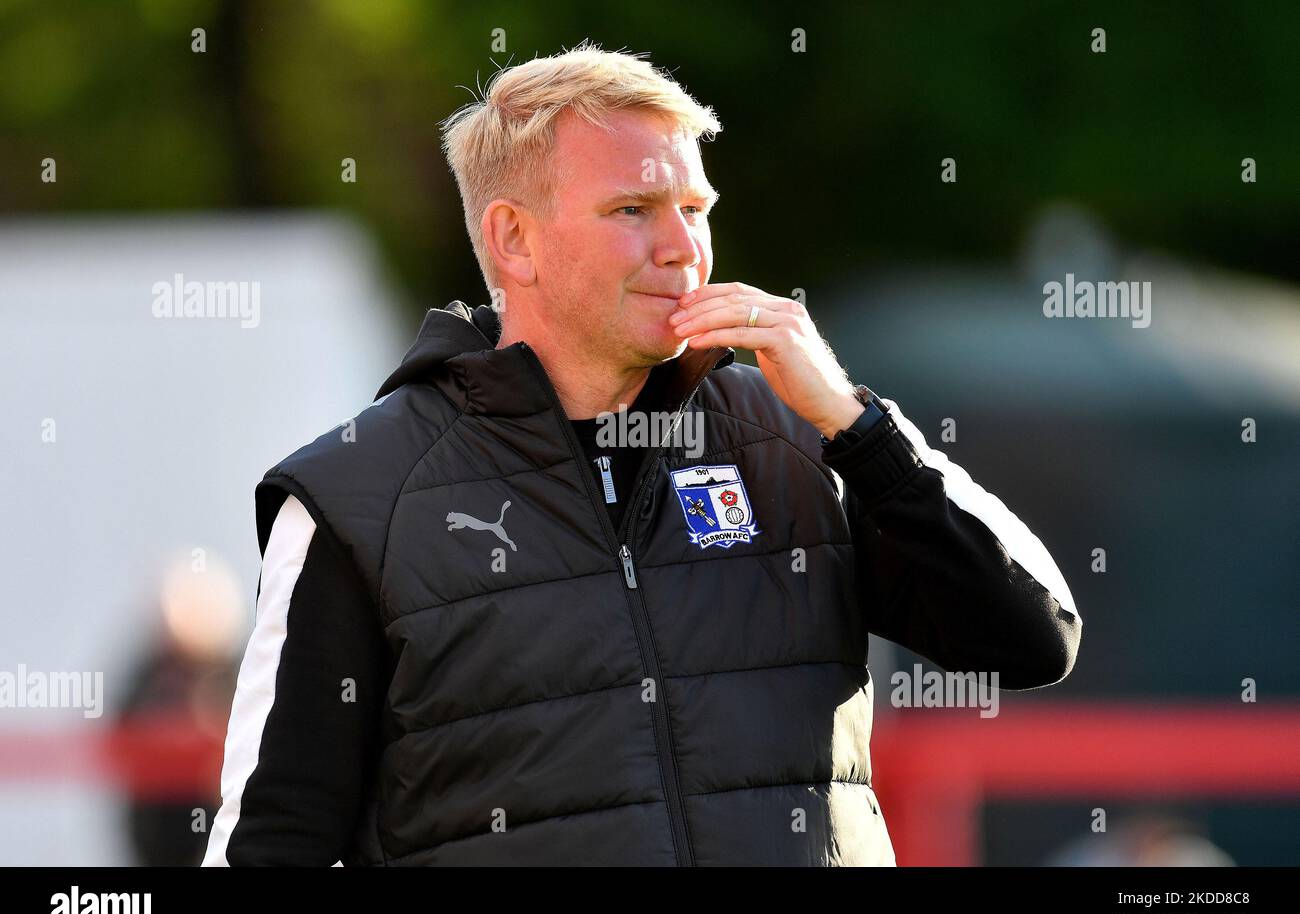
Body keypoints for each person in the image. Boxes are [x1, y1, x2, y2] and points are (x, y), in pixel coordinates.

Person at [203, 41, 1081, 867]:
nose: (682, 248)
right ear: (513, 240)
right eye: (634, 210)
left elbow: (1033, 637)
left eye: (694, 210)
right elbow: (271, 841)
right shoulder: (357, 494)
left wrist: (858, 427)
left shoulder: (802, 436)